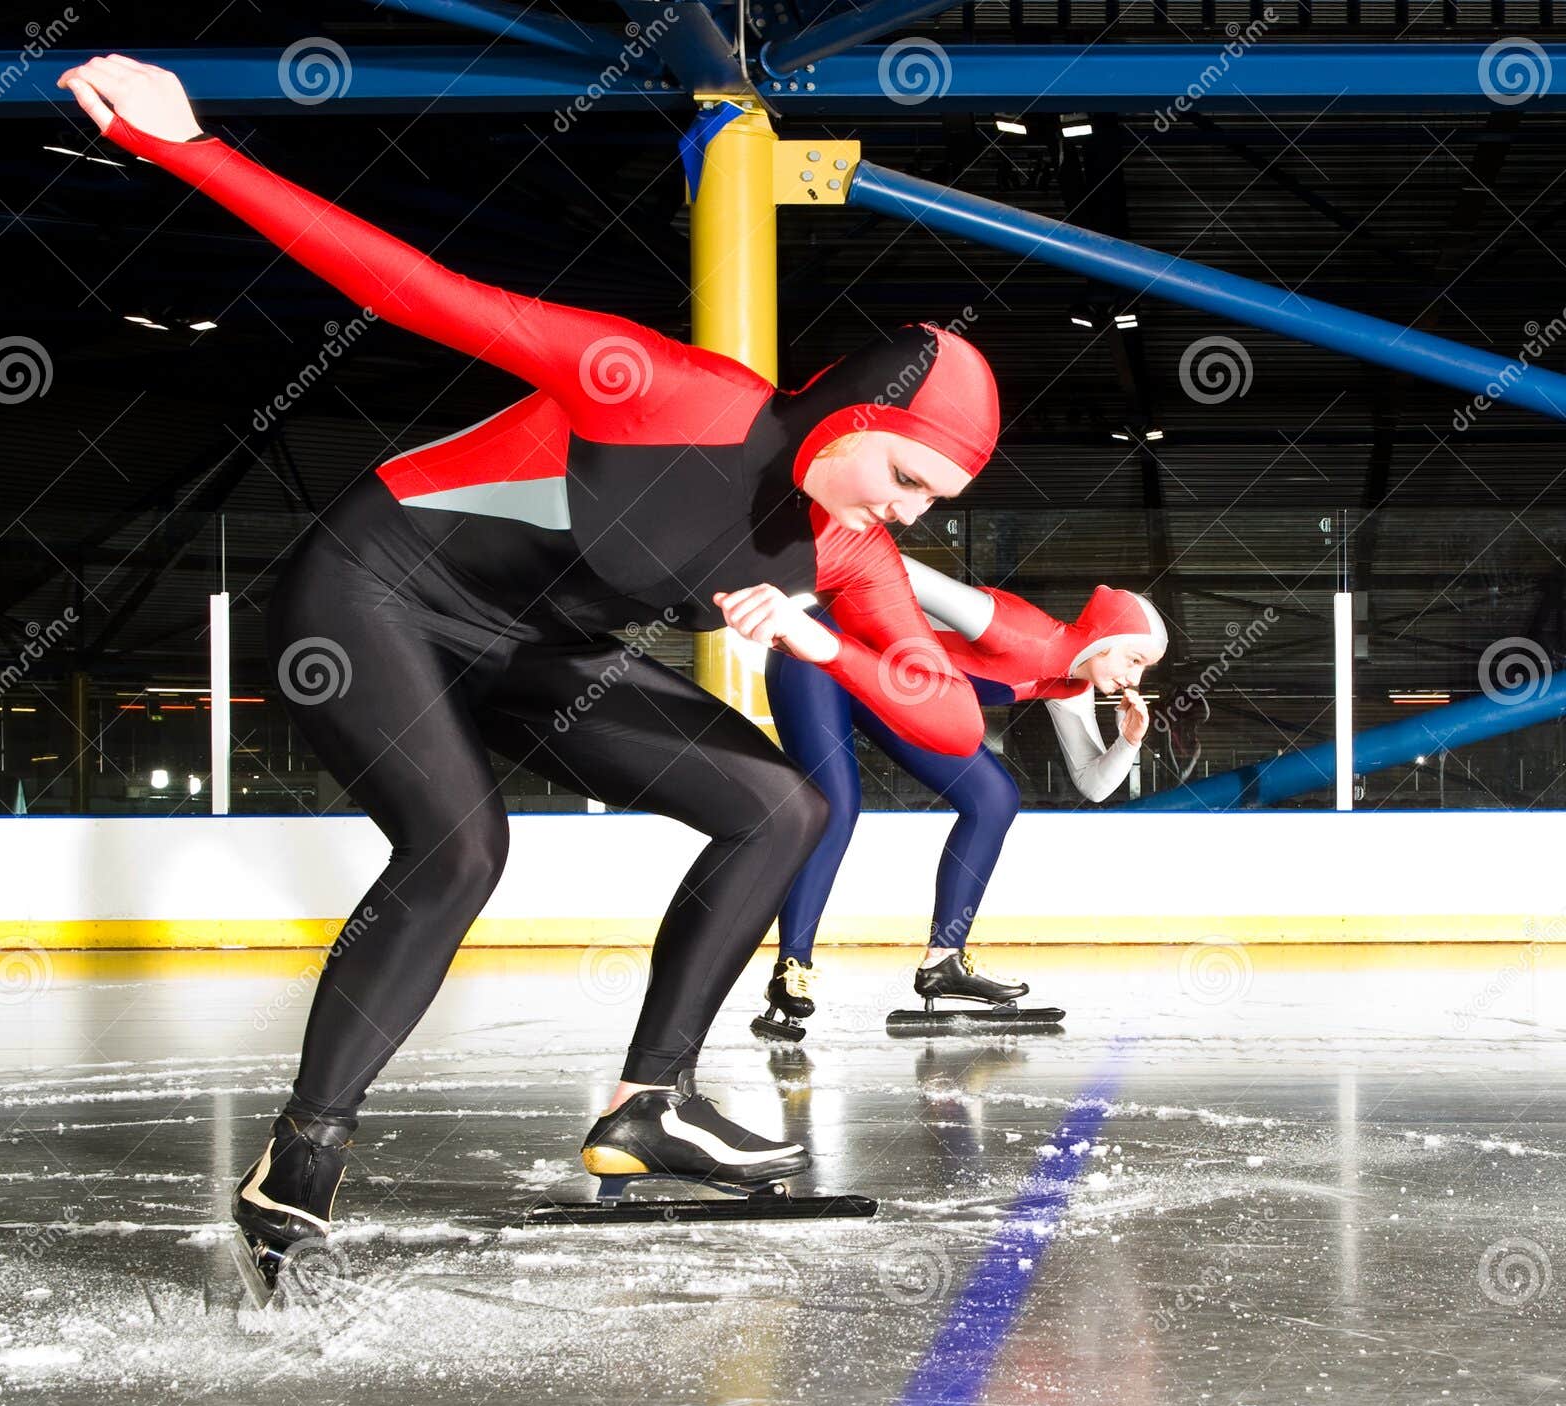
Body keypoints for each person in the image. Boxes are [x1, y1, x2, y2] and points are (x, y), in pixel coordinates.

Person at [57, 56, 1003, 1268]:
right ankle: (305, 1145)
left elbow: (951, 726)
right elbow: (418, 291)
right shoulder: (665, 390)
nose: (914, 515)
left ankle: (644, 1108)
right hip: (372, 590)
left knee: (785, 805)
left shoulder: (844, 550)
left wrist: (824, 643)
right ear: (858, 421)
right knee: (461, 847)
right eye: (912, 479)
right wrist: (188, 146)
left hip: (537, 649)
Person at [757, 561, 1167, 1030]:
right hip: (820, 651)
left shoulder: (1071, 687)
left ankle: (943, 960)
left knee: (993, 798)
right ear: (1105, 639)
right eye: (1134, 660)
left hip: (895, 688)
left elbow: (1092, 785)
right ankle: (792, 967)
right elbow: (891, 569)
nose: (1136, 679)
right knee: (837, 805)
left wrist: (1129, 741)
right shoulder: (1015, 626)